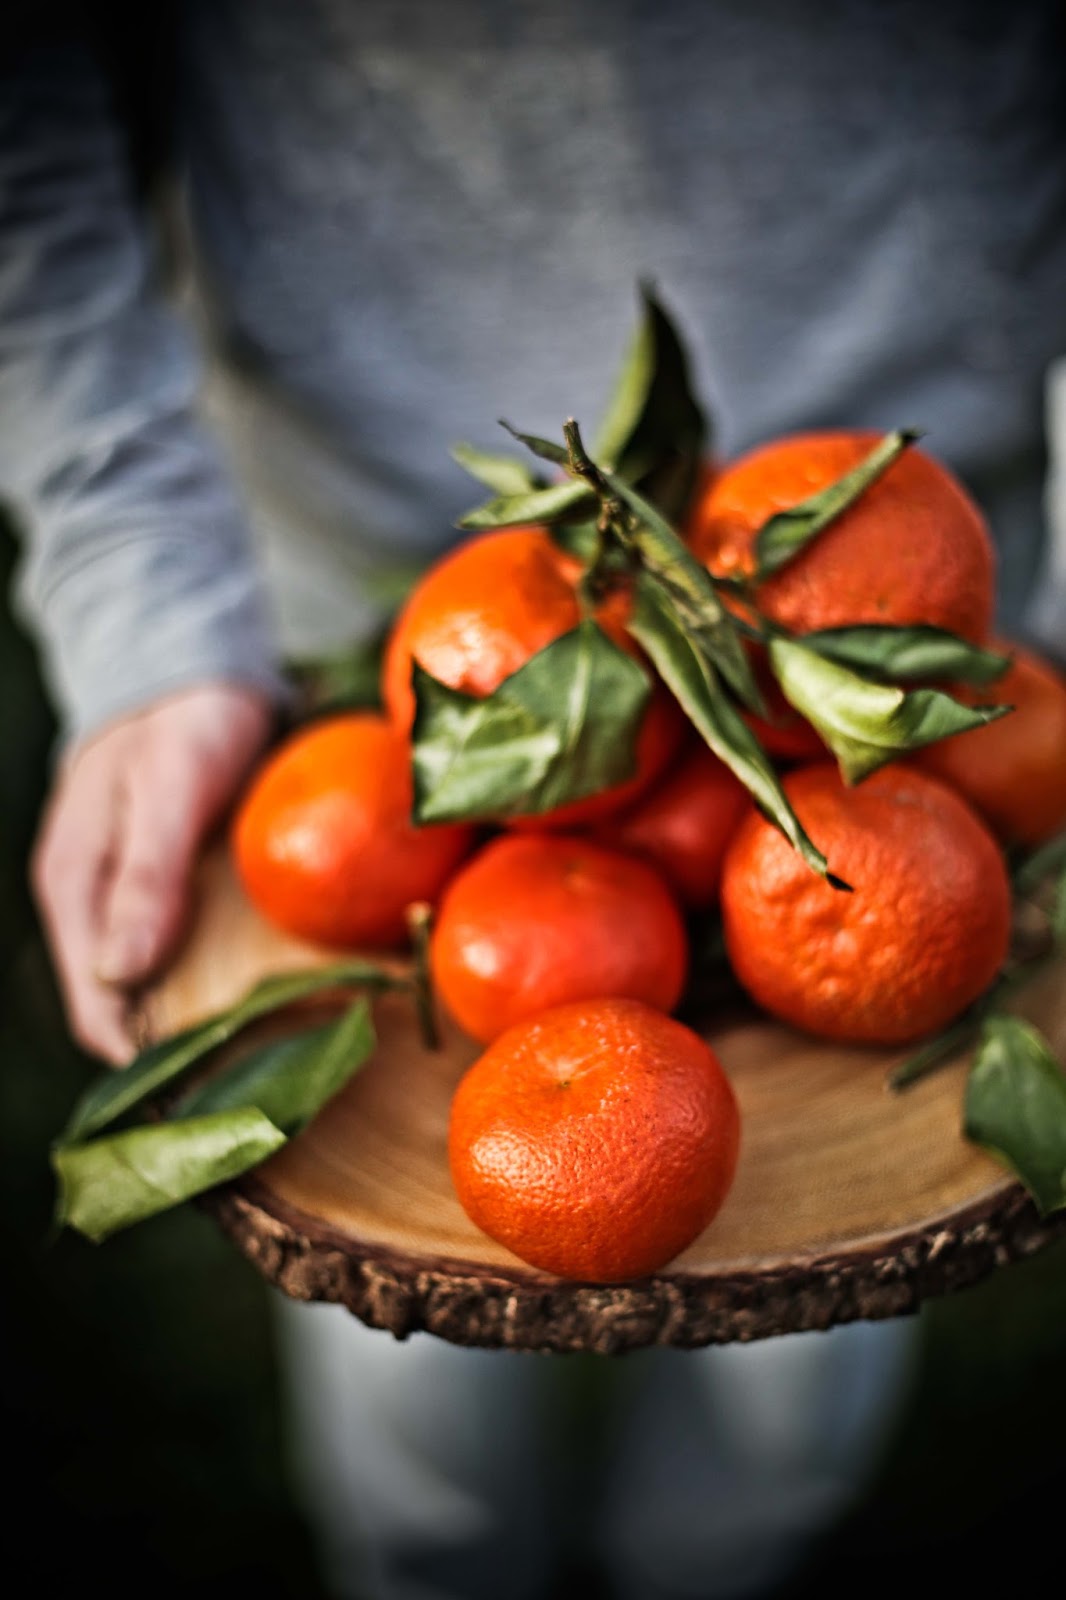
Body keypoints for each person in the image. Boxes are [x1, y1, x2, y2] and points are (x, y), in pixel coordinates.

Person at [4, 4, 1065, 1597]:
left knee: (793, 1392)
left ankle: (725, 1558)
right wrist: (139, 602)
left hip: (932, 572)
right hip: (369, 556)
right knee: (414, 1360)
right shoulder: (492, 713)